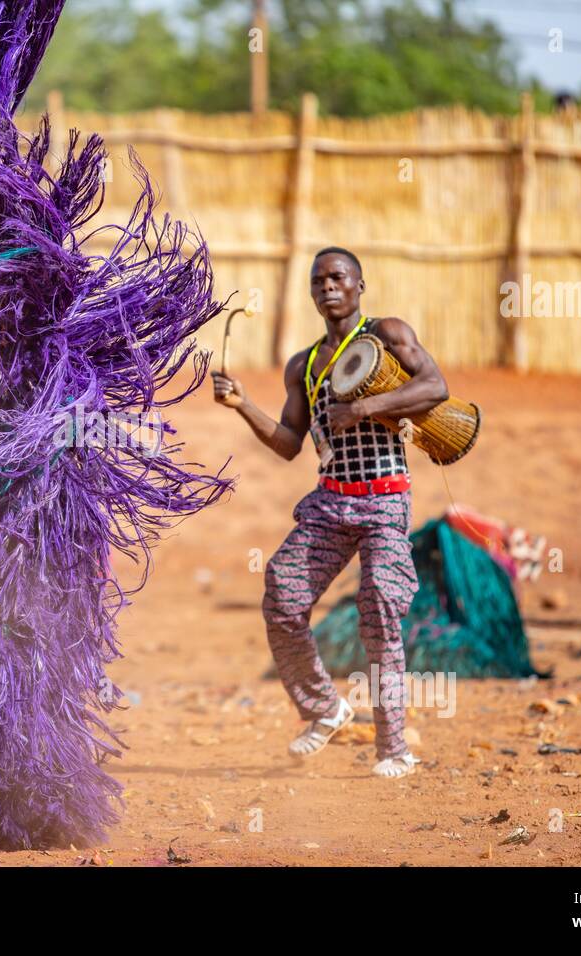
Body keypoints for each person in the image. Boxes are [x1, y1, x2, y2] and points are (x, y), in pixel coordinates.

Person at [211, 247, 449, 778]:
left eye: (338, 277)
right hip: (330, 500)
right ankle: (324, 708)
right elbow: (289, 443)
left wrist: (364, 407)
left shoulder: (385, 334)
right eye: (318, 281)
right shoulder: (304, 364)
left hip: (386, 498)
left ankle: (394, 748)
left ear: (360, 284)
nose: (328, 287)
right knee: (282, 595)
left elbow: (436, 387)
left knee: (381, 604)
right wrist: (243, 404)